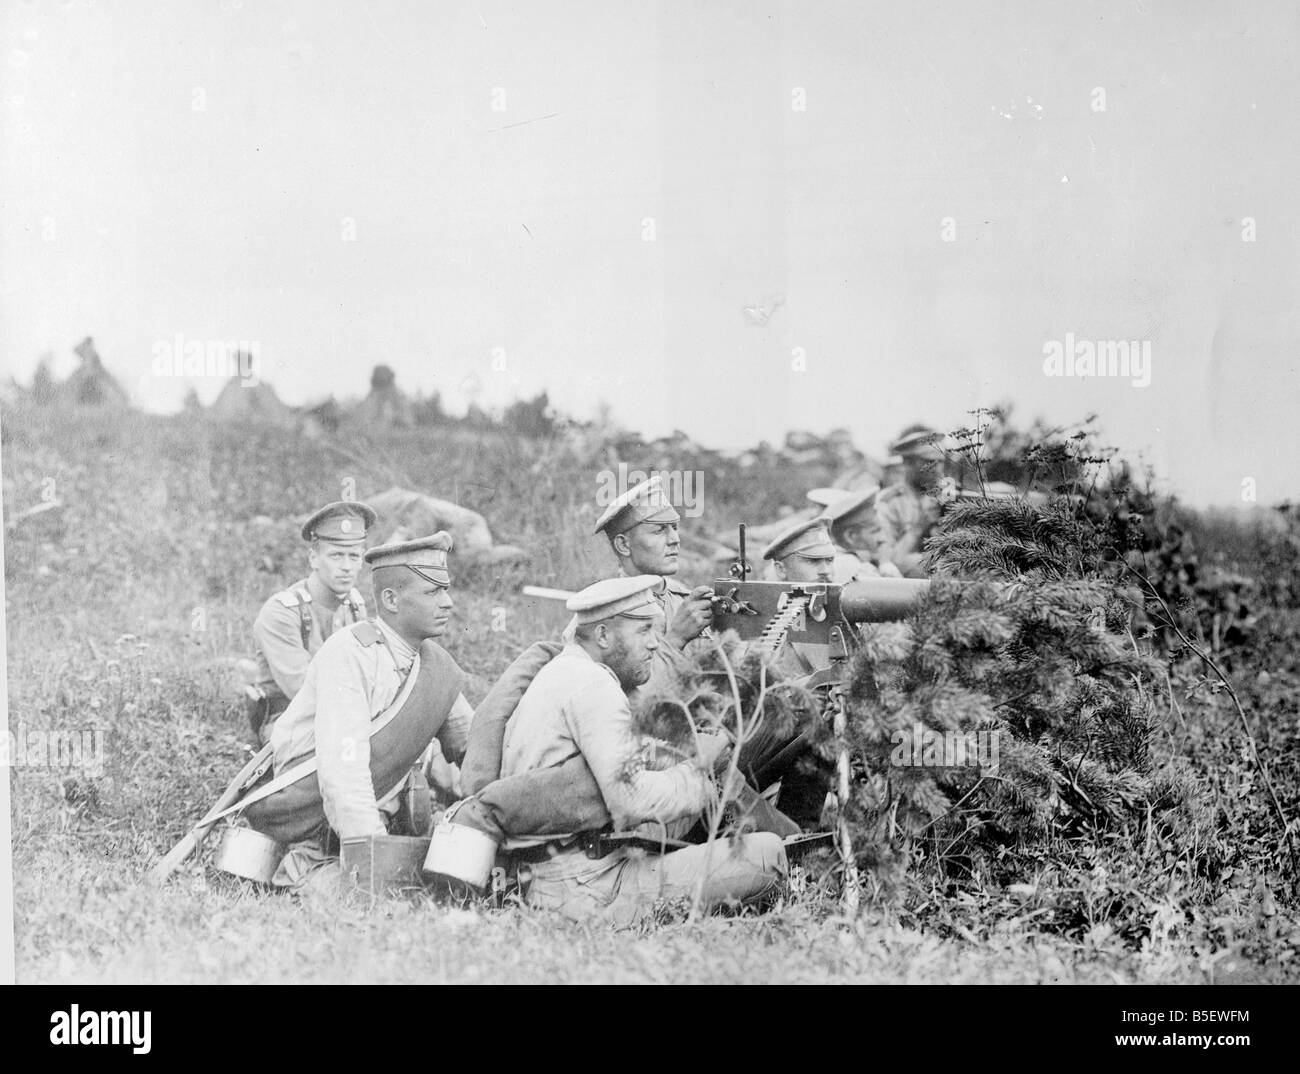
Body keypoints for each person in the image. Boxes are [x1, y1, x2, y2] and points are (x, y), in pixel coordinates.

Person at [472, 576, 787, 925]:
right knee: (768, 854)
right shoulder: (594, 685)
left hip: (550, 871)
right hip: (586, 885)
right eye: (644, 631)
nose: (655, 644)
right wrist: (699, 768)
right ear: (603, 635)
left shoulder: (565, 671)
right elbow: (632, 799)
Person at [265, 532, 474, 890]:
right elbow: (343, 772)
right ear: (391, 600)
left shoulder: (434, 664)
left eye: (446, 590)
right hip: (321, 824)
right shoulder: (348, 655)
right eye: (432, 592)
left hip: (392, 822)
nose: (448, 603)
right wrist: (375, 860)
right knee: (365, 893)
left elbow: (473, 748)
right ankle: (306, 872)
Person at [242, 501, 376, 744]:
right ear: (314, 558)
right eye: (336, 555)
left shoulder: (354, 604)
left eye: (354, 556)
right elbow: (304, 692)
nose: (346, 567)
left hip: (345, 713)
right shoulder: (281, 613)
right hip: (291, 721)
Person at [593, 475, 714, 696]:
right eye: (659, 530)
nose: (675, 539)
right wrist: (676, 639)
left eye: (674, 527)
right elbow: (620, 698)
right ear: (623, 544)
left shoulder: (684, 599)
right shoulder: (605, 613)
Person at [876, 425, 948, 577]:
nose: (937, 469)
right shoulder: (889, 502)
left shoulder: (945, 497)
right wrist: (919, 528)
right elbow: (888, 560)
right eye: (929, 462)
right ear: (908, 463)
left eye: (941, 462)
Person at [818, 487, 904, 582]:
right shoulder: (860, 570)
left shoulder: (832, 560)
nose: (882, 538)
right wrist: (885, 563)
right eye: (875, 531)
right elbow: (902, 590)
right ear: (851, 536)